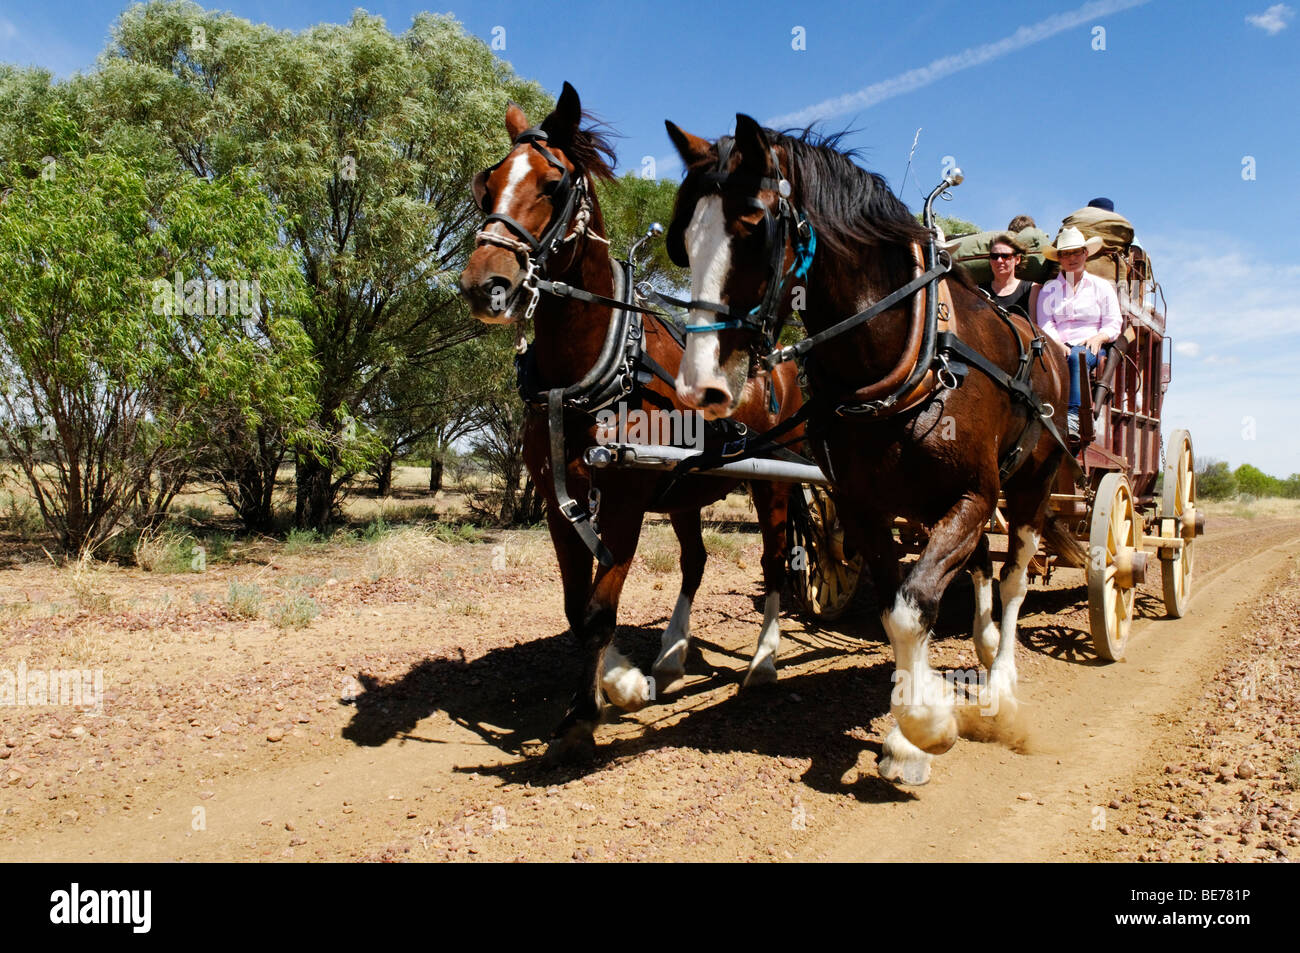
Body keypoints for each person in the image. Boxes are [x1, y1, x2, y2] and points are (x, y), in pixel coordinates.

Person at [1035, 225, 1122, 436]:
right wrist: (1057, 344)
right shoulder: (1048, 290)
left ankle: (1073, 417)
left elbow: (1113, 322)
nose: (1071, 258)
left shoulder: (1101, 287)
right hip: (1056, 346)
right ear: (1059, 259)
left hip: (1090, 346)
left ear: (1085, 254)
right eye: (1066, 254)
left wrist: (1100, 337)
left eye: (1076, 252)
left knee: (1077, 357)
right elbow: (1045, 323)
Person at [979, 233, 1033, 316]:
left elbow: (1035, 326)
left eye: (1005, 256)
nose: (999, 260)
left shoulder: (1031, 289)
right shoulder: (979, 291)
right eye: (994, 256)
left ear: (1017, 259)